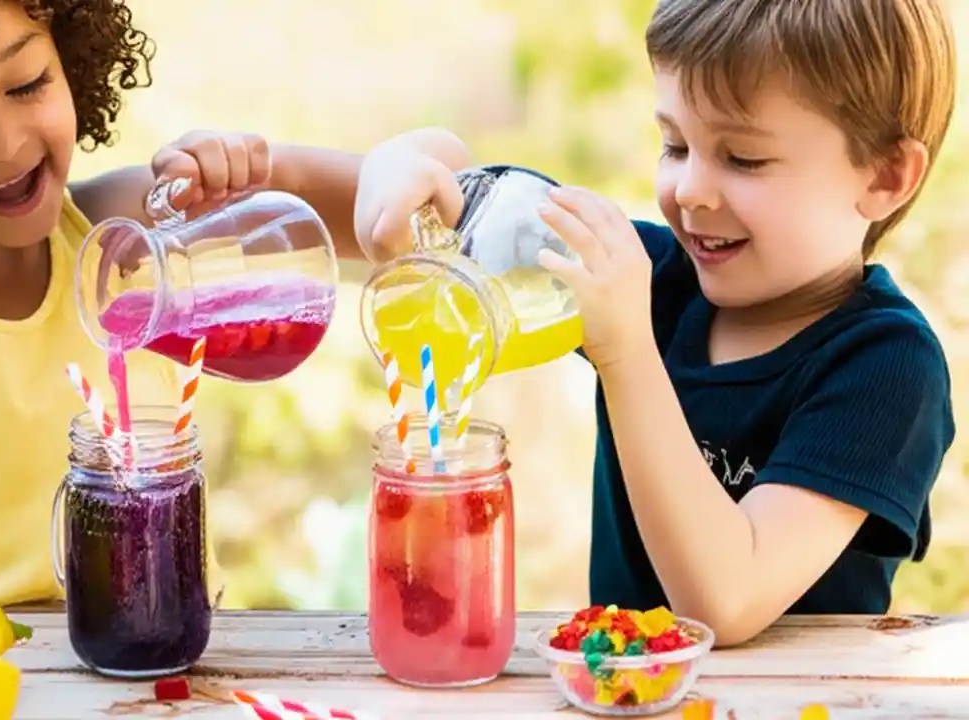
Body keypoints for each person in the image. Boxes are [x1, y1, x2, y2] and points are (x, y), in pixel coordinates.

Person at [0, 0, 469, 604]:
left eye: (27, 83)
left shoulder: (137, 228)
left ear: (71, 52)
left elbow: (413, 208)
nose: (1, 142)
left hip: (150, 671)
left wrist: (272, 169)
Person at [355, 0, 958, 646]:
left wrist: (626, 351)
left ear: (886, 176)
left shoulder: (886, 366)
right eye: (675, 145)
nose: (690, 190)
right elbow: (455, 204)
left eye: (744, 158)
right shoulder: (662, 279)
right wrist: (388, 172)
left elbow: (724, 602)